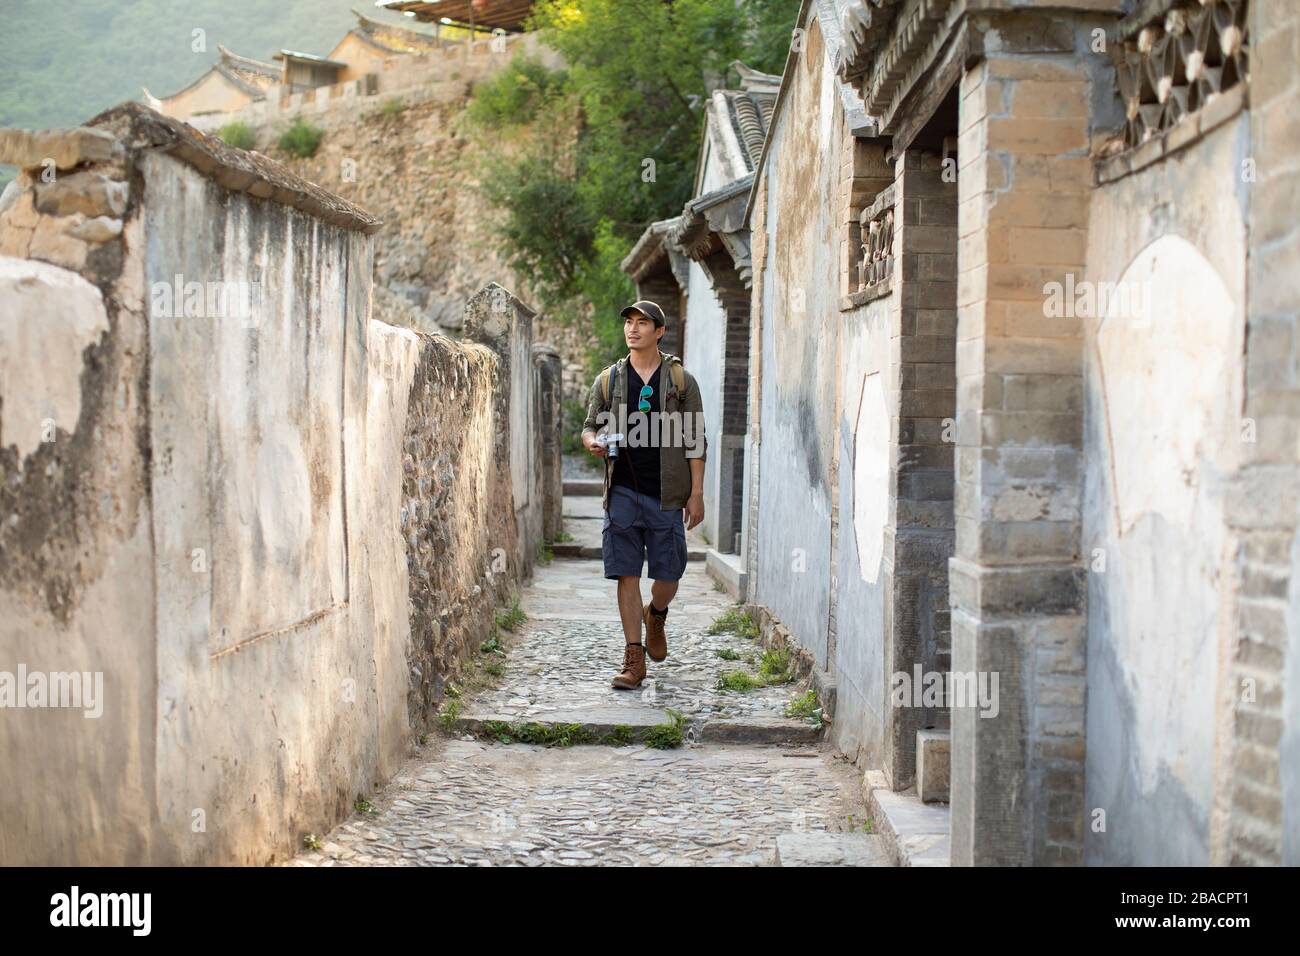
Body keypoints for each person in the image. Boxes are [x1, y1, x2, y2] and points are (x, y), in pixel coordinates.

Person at [581, 300, 707, 689]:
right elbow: (588, 426)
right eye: (629, 324)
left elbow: (696, 440)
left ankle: (657, 613)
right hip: (622, 491)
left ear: (660, 331)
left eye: (642, 323)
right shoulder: (609, 380)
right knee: (627, 573)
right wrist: (593, 442)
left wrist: (696, 493)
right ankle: (634, 661)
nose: (633, 329)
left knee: (669, 574)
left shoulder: (681, 382)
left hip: (668, 494)